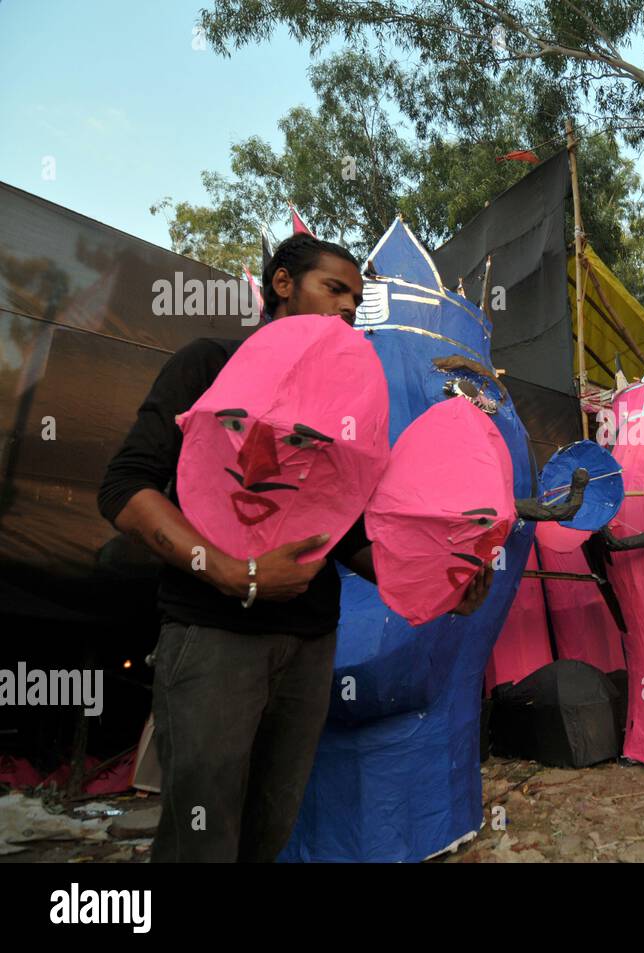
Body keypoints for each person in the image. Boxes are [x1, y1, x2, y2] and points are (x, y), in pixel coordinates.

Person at [97, 233, 491, 862]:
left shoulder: (350, 407)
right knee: (201, 838)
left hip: (308, 645)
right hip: (212, 637)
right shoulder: (209, 362)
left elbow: (353, 534)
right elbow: (123, 489)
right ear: (283, 284)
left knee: (268, 833)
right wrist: (234, 573)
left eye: (356, 300)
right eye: (333, 289)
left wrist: (445, 586)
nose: (347, 308)